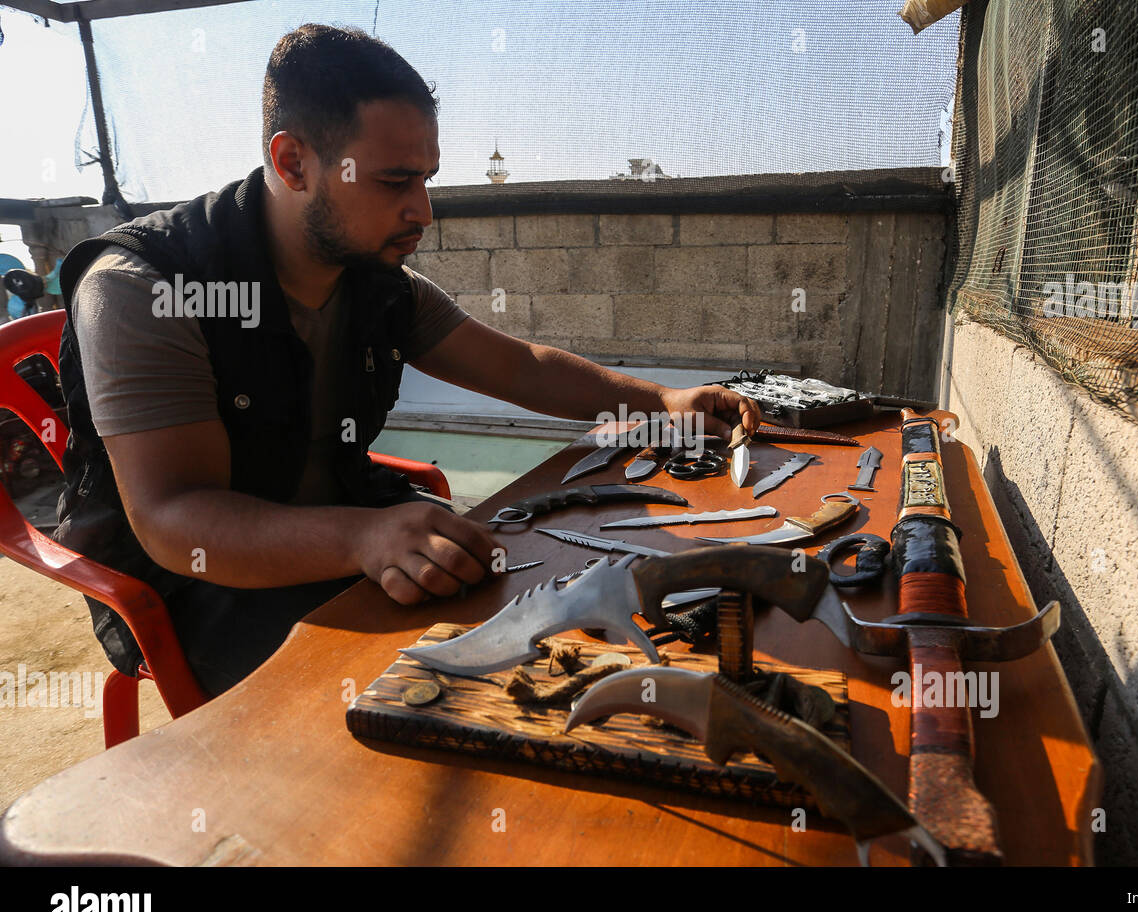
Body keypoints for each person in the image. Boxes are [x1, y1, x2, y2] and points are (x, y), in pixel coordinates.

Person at [54, 23, 758, 697]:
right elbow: (173, 518)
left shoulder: (374, 283)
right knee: (425, 703)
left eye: (427, 179)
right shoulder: (147, 289)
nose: (423, 210)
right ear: (292, 162)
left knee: (549, 610)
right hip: (201, 587)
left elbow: (521, 367)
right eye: (394, 182)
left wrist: (662, 402)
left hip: (346, 530)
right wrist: (364, 536)